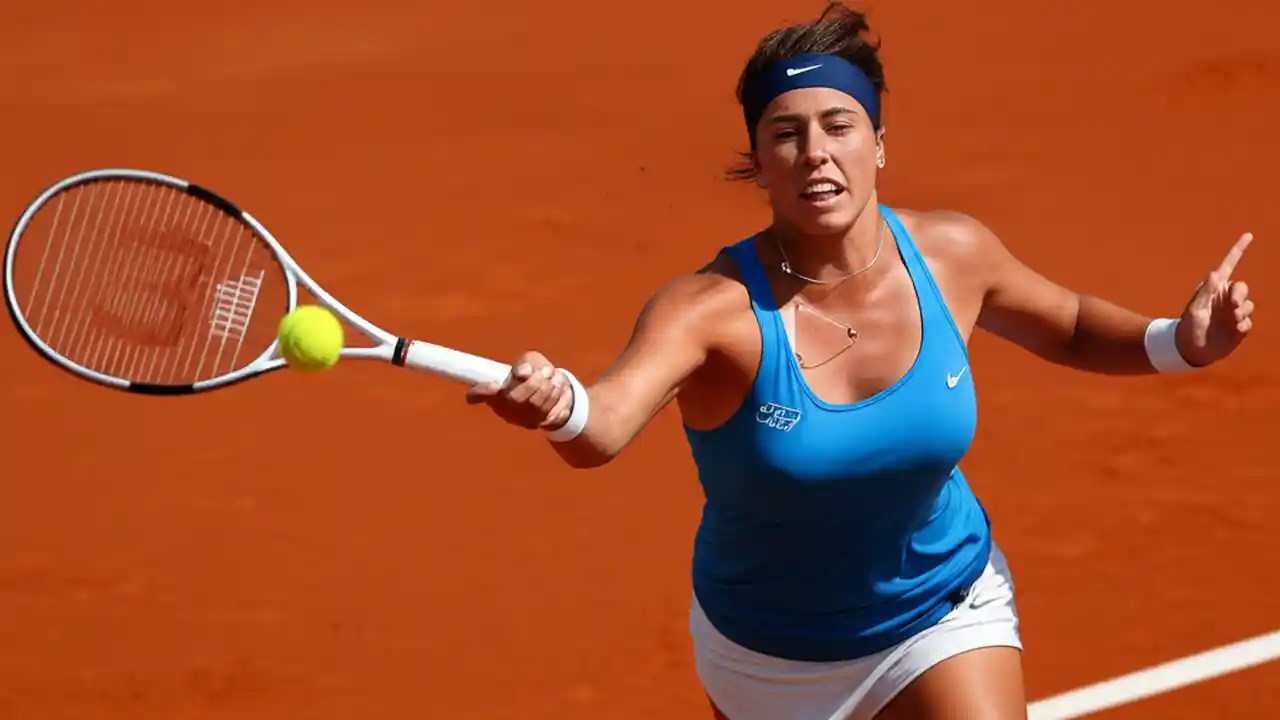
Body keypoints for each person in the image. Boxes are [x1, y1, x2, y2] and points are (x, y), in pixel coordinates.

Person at [463, 3, 1257, 718]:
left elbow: (1074, 327)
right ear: (758, 161)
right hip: (772, 659)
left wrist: (1179, 342)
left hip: (944, 606)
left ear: (879, 143)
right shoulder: (708, 311)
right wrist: (557, 403)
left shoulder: (953, 255)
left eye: (839, 126)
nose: (816, 153)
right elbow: (602, 425)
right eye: (786, 133)